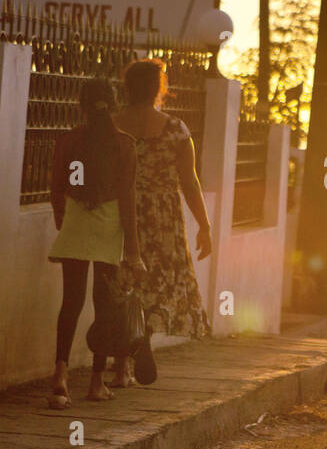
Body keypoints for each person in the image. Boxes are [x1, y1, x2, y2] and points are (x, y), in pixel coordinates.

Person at [110, 59, 212, 385]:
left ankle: (120, 366)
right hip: (163, 217)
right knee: (159, 283)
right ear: (158, 89)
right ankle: (145, 338)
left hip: (120, 212)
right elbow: (190, 182)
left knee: (124, 285)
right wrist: (205, 225)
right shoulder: (176, 130)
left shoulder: (113, 125)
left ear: (127, 87)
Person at [47, 78, 144, 409]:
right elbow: (127, 201)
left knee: (70, 303)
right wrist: (134, 252)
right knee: (105, 308)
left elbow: (58, 187)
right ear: (113, 105)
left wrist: (65, 220)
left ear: (81, 106)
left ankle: (60, 380)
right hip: (108, 228)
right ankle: (96, 382)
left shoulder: (68, 141)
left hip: (76, 222)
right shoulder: (125, 145)